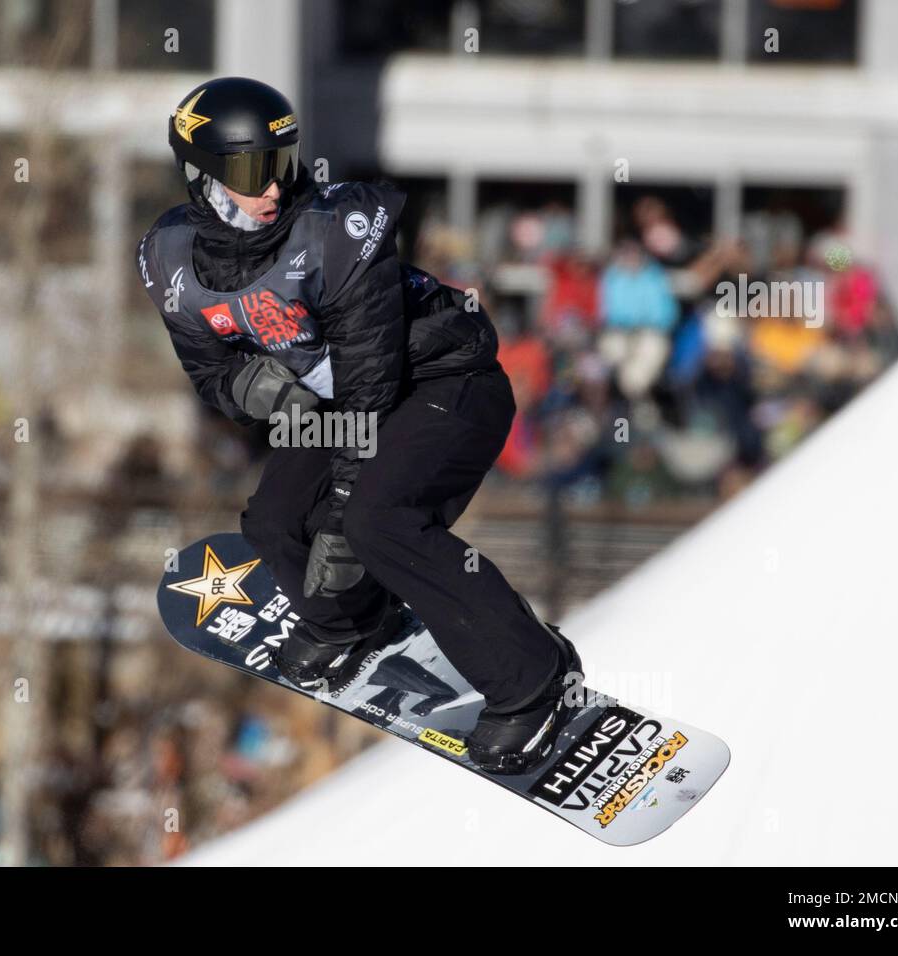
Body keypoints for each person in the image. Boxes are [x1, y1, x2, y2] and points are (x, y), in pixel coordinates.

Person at [136, 77, 580, 774]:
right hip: (336, 406)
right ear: (203, 177)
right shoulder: (169, 261)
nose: (275, 187)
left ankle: (536, 681)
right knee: (275, 523)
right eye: (253, 172)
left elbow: (369, 388)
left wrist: (343, 518)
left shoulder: (335, 232)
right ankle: (350, 622)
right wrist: (248, 389)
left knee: (379, 524)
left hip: (445, 384)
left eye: (282, 163)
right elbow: (207, 368)